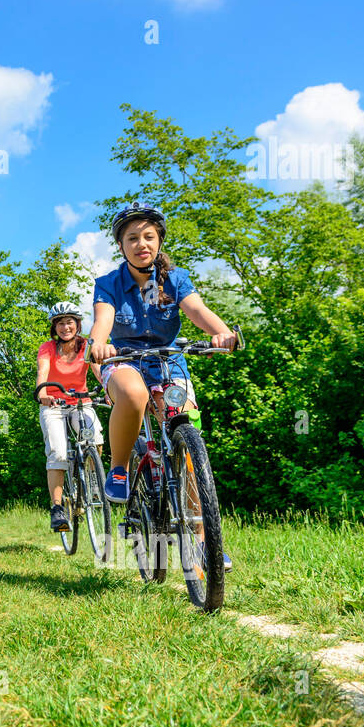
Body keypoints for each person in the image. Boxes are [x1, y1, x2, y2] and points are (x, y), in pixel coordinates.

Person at [86, 202, 237, 569]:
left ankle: (202, 543)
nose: (142, 244)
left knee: (189, 441)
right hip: (122, 360)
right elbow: (102, 322)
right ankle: (119, 469)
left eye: (148, 237)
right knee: (134, 394)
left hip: (168, 361)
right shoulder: (109, 284)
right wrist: (99, 344)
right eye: (132, 238)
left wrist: (221, 333)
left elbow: (197, 311)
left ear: (159, 241)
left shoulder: (175, 279)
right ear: (121, 246)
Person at [36, 303, 104, 533]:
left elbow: (98, 371)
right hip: (53, 405)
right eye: (60, 323)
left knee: (95, 439)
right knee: (58, 453)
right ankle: (57, 509)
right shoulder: (48, 348)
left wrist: (109, 389)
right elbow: (42, 373)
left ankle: (90, 481)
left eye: (69, 322)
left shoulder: (86, 346)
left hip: (81, 402)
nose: (65, 327)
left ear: (77, 324)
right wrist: (43, 393)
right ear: (54, 327)